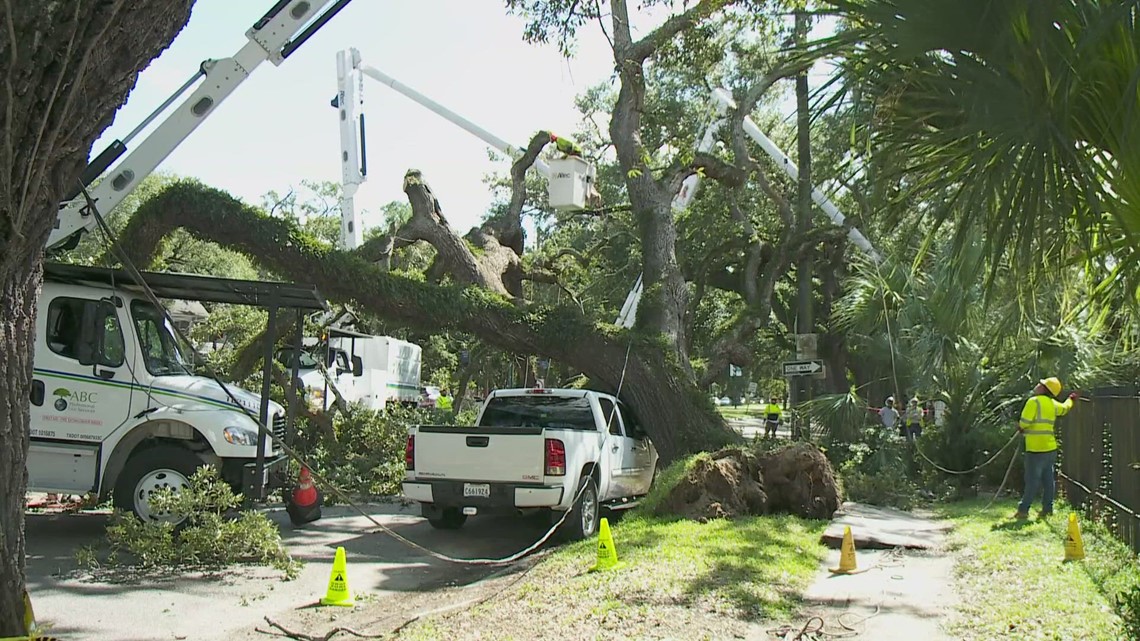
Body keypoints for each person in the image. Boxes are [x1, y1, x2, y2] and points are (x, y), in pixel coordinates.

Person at [1016, 377, 1078, 519]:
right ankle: (1047, 509)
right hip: (1050, 448)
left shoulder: (1033, 402)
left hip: (1035, 448)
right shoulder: (1052, 404)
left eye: (1041, 384)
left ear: (1044, 389)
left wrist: (1020, 427)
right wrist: (1071, 399)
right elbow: (1065, 408)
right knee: (1048, 480)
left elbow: (1024, 423)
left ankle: (1023, 510)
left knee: (1032, 481)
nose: (1037, 385)